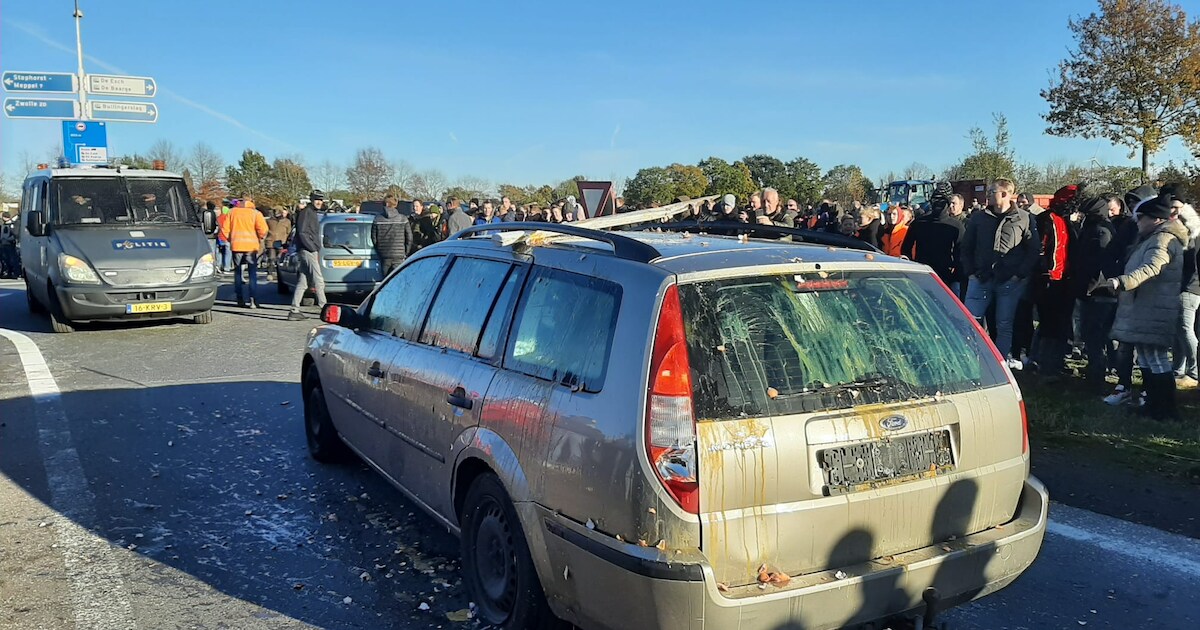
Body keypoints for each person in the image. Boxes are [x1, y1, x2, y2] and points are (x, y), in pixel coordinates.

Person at [1099, 195, 1187, 420]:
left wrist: (1122, 281)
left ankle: (1165, 410)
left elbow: (1152, 267)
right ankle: (1152, 406)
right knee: (1148, 358)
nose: (1137, 221)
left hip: (1154, 309)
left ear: (1155, 219)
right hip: (1145, 307)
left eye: (1141, 217)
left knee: (1157, 358)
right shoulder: (1151, 237)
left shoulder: (1163, 240)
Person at [961, 178, 1040, 370]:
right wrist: (970, 272)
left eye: (991, 192)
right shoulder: (979, 218)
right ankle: (970, 361)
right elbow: (967, 246)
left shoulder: (1024, 218)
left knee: (1004, 324)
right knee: (970, 320)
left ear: (1005, 194)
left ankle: (999, 365)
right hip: (980, 277)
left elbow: (1033, 249)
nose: (987, 195)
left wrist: (1019, 274)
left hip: (1009, 281)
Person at [1071, 197, 1121, 391]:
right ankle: (1097, 370)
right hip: (1093, 291)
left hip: (1099, 292)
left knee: (1096, 336)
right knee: (1094, 335)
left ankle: (1098, 375)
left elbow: (1100, 262)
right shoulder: (1093, 229)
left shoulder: (1101, 231)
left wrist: (1089, 286)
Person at [1026, 185, 1075, 375]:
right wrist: (1046, 273)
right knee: (1049, 324)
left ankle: (1051, 362)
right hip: (1050, 280)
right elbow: (1043, 249)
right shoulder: (1049, 219)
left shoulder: (1062, 220)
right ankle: (1045, 365)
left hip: (1061, 279)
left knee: (1057, 324)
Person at [902, 182, 965, 293]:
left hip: (945, 277)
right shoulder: (919, 223)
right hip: (922, 273)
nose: (938, 203)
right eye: (935, 200)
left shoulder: (955, 226)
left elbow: (960, 254)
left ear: (948, 203)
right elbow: (906, 248)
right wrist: (912, 267)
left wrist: (955, 275)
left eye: (942, 200)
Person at [288, 190, 329, 321]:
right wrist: (312, 247)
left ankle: (294, 310)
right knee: (319, 280)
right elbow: (303, 232)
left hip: (307, 250)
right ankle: (325, 309)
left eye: (321, 200)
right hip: (307, 251)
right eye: (317, 199)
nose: (319, 202)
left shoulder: (312, 213)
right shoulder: (306, 213)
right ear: (311, 200)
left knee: (303, 282)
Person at [222, 195, 269, 309]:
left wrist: (230, 239)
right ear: (251, 202)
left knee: (238, 273)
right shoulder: (255, 213)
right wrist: (260, 238)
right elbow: (263, 230)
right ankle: (253, 300)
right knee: (252, 273)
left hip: (236, 246)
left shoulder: (232, 212)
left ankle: (240, 299)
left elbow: (224, 229)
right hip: (251, 247)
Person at [1172, 199, 1199, 389]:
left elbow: (1192, 266)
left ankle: (1194, 370)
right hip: (1179, 287)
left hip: (1189, 288)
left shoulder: (1193, 236)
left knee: (1185, 328)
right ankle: (1178, 369)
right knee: (1177, 331)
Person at [371, 194, 413, 275]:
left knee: (386, 281)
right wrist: (405, 252)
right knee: (398, 279)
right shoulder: (403, 219)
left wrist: (379, 251)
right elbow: (409, 238)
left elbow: (374, 238)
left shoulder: (378, 219)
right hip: (399, 256)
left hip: (384, 255)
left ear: (385, 204)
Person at [264, 207, 291, 280]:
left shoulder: (287, 222)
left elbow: (288, 232)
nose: (277, 213)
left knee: (279, 259)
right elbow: (265, 230)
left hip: (282, 243)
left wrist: (287, 241)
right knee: (271, 258)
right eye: (275, 211)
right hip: (270, 242)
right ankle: (270, 273)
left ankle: (279, 275)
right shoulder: (269, 221)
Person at [215, 200, 233, 273]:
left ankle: (218, 265)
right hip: (227, 237)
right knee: (228, 252)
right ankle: (227, 267)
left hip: (219, 237)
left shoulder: (218, 218)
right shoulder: (229, 218)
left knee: (219, 252)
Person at [0, 211, 18, 279]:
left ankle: (15, 273)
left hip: (9, 244)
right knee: (5, 259)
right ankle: (9, 272)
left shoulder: (12, 225)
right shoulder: (3, 225)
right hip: (3, 244)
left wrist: (8, 239)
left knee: (12, 259)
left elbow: (15, 234)